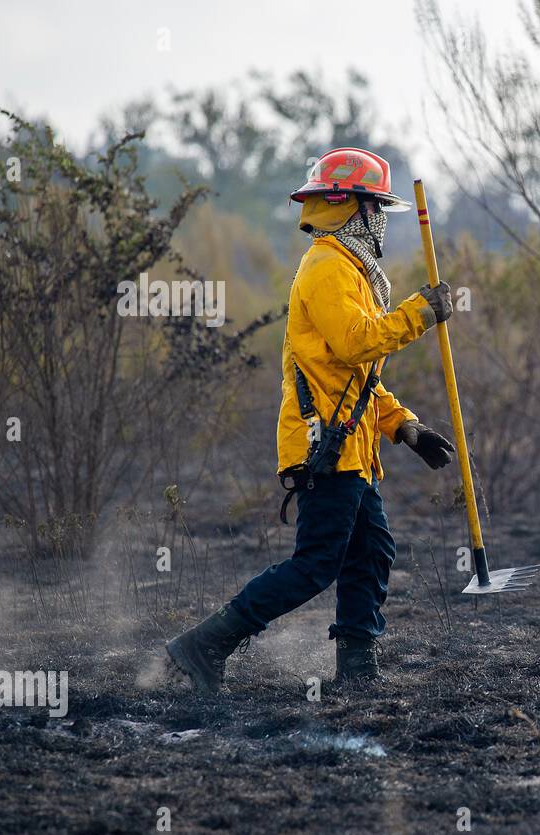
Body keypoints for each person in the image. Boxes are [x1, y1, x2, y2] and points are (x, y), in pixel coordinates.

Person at [165, 147, 455, 692]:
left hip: (350, 446)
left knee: (371, 550)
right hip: (324, 447)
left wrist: (403, 427)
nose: (381, 224)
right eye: (378, 211)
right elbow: (355, 344)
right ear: (355, 208)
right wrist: (421, 312)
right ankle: (203, 645)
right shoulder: (327, 268)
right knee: (316, 564)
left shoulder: (347, 269)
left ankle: (356, 669)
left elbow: (357, 378)